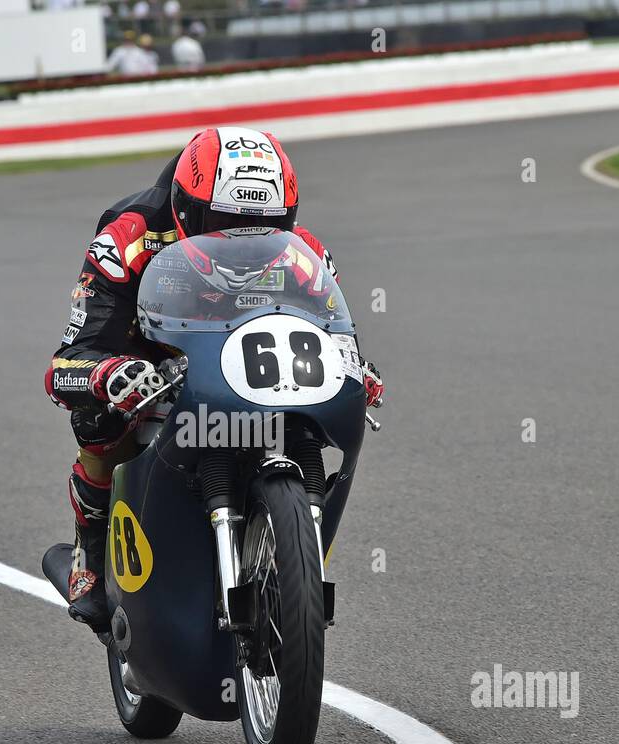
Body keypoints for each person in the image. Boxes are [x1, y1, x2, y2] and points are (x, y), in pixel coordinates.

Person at [44, 127, 385, 626]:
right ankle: (91, 552)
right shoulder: (127, 238)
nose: (244, 239)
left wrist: (355, 366)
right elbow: (69, 360)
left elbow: (331, 329)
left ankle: (295, 562)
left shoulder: (301, 249)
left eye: (265, 224)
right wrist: (108, 372)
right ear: (186, 209)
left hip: (243, 360)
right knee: (97, 420)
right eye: (225, 221)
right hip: (153, 360)